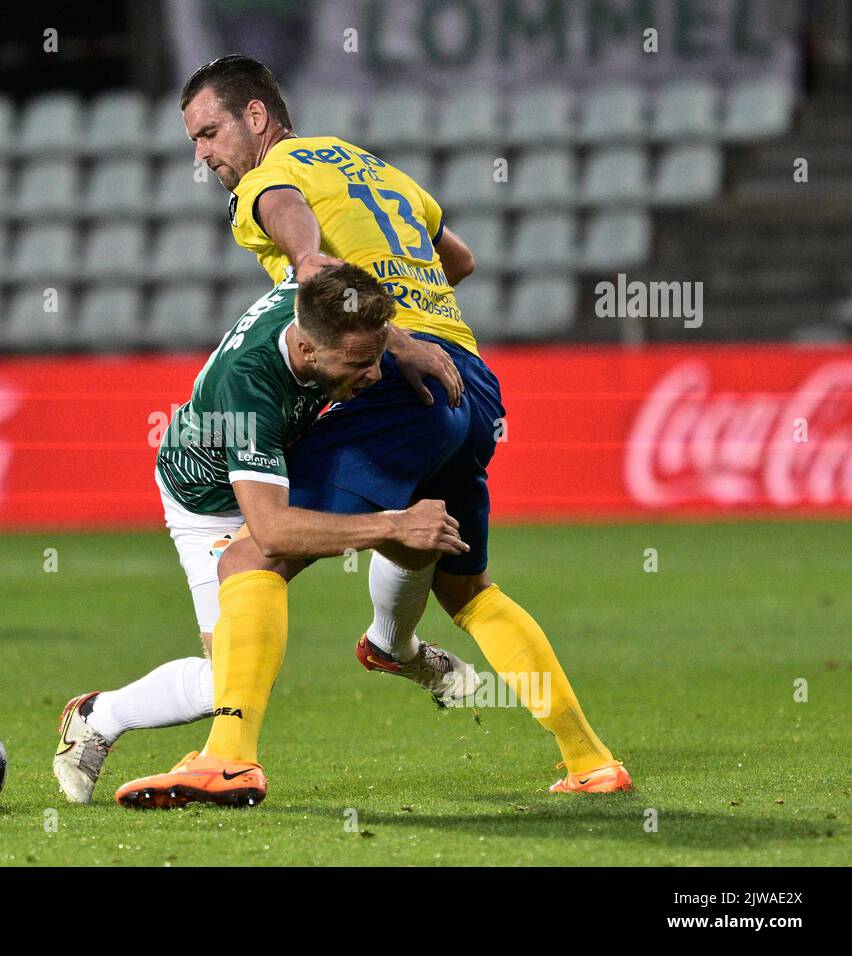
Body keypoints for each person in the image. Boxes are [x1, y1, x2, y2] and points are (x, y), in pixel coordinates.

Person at [75, 55, 629, 808]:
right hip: (467, 378)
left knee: (254, 553)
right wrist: (407, 319)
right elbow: (457, 258)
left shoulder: (275, 176)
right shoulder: (374, 170)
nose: (202, 154)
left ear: (257, 118)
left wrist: (353, 306)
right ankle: (589, 758)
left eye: (209, 133)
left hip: (407, 383)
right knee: (467, 588)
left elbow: (294, 232)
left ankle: (228, 757)